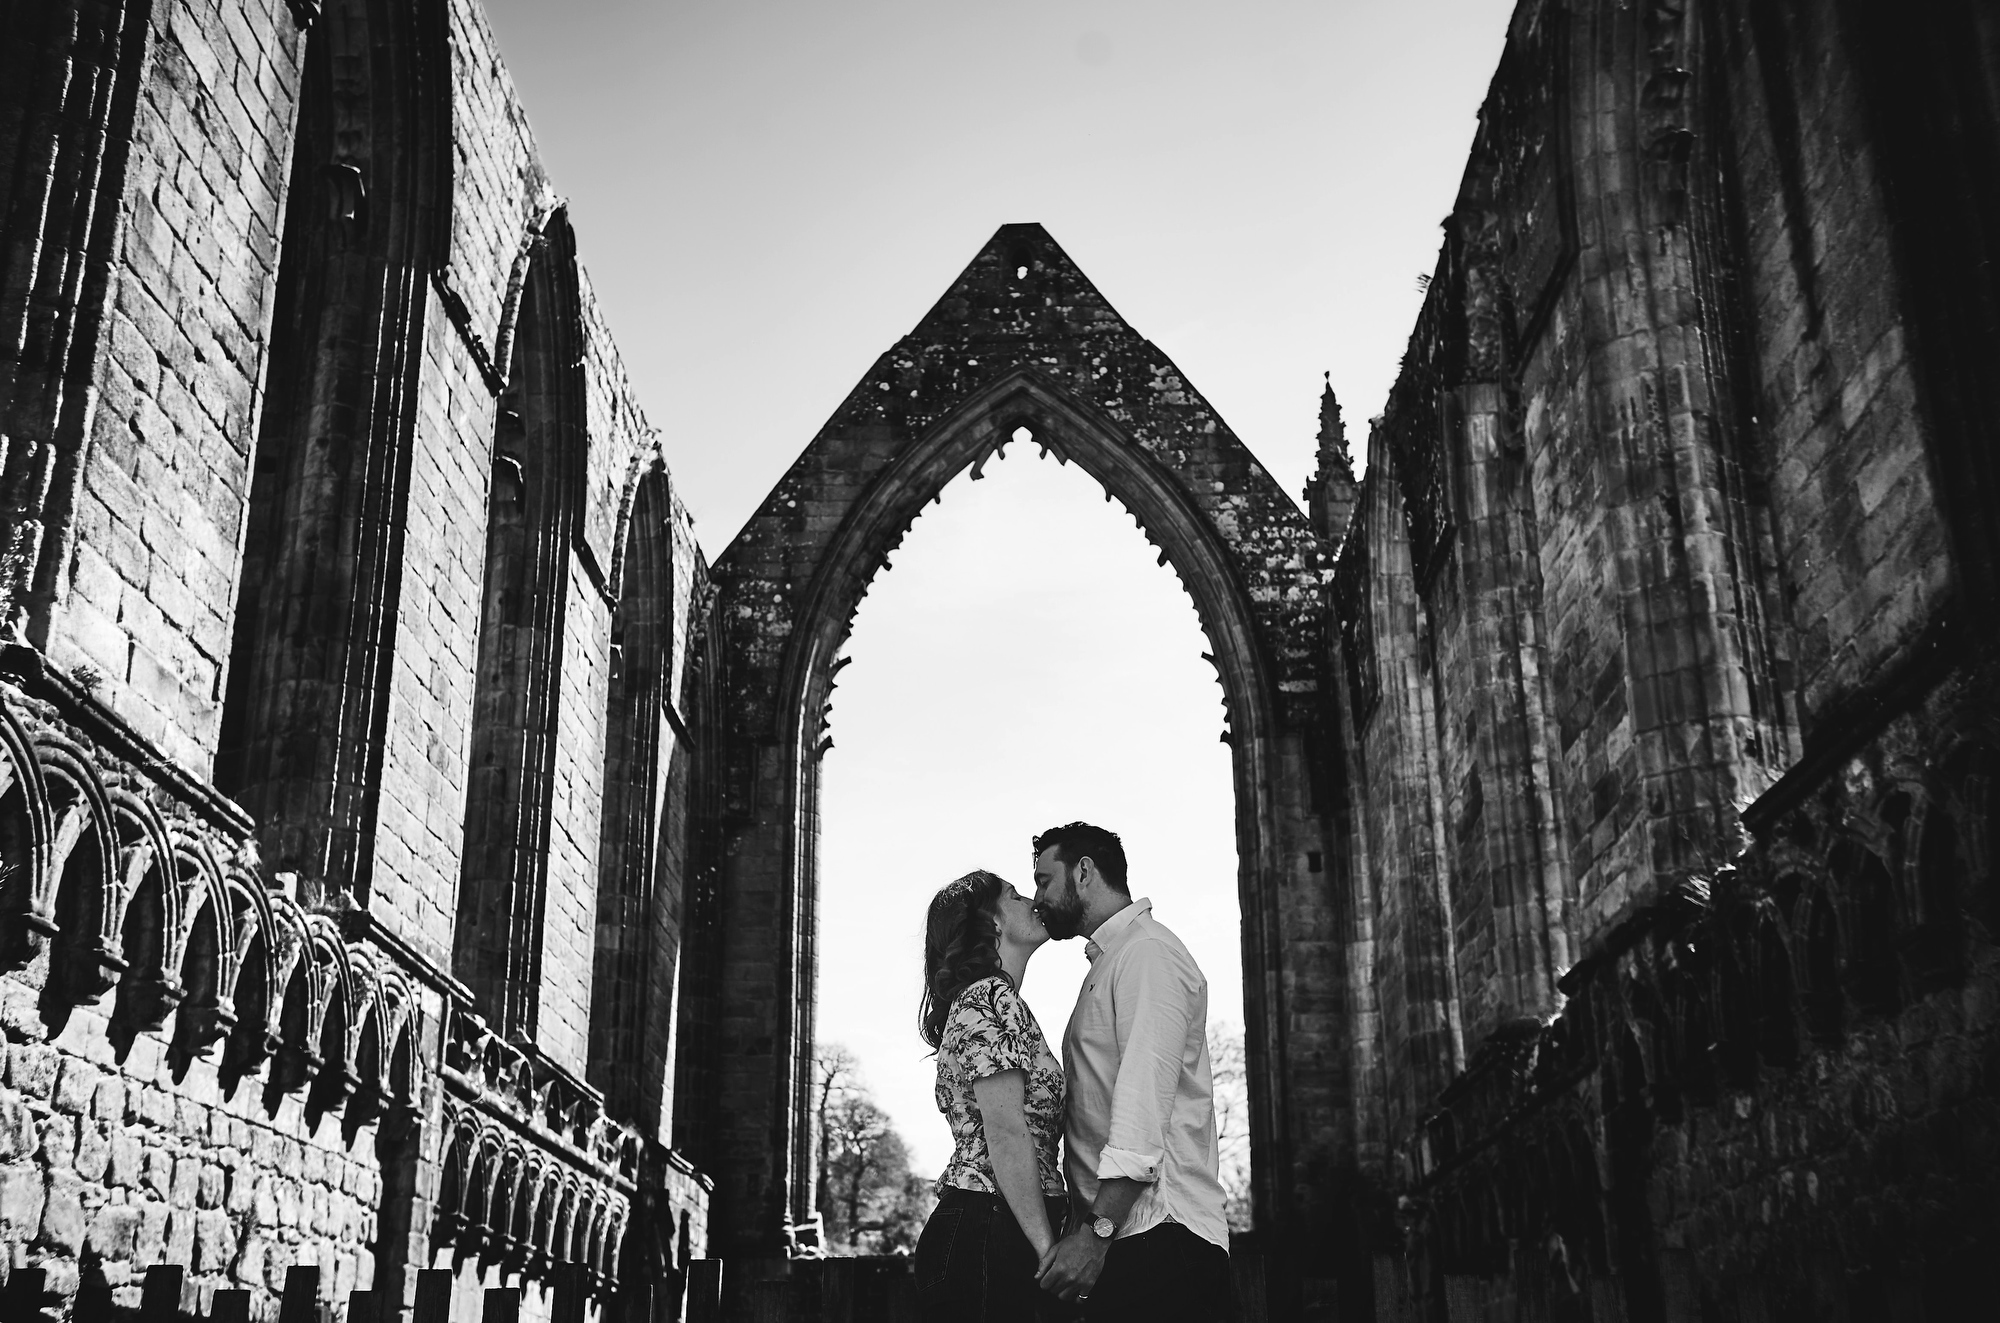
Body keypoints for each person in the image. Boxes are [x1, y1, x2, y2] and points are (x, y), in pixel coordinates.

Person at [1030, 822, 1231, 1322]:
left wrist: (1096, 1235)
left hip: (1158, 1236)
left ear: (1083, 872)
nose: (1038, 899)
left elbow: (1142, 1109)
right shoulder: (1113, 959)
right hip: (1128, 1237)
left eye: (1043, 880)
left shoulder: (1147, 954)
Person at [914, 869, 1071, 1322]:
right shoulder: (987, 998)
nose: (1033, 900)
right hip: (988, 1228)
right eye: (1016, 895)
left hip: (1003, 1223)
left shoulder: (1002, 1002)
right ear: (992, 924)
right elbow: (1005, 1133)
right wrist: (1047, 1251)